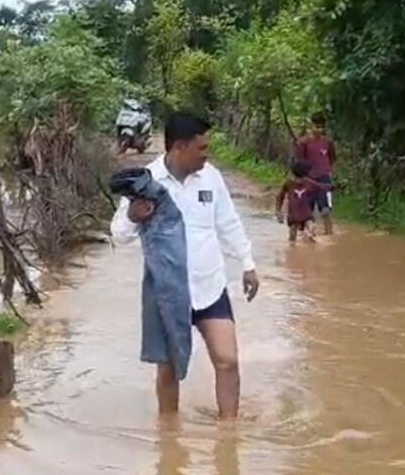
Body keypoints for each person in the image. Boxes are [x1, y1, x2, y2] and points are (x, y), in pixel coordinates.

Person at [110, 113, 260, 419]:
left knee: (227, 360)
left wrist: (247, 263)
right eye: (201, 148)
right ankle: (169, 434)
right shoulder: (146, 182)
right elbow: (119, 235)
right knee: (168, 370)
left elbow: (228, 223)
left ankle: (229, 431)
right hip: (165, 291)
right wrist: (133, 216)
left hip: (209, 286)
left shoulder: (212, 178)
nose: (207, 154)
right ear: (179, 147)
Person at [294, 112, 337, 235]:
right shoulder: (303, 143)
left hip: (324, 179)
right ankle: (305, 237)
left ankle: (329, 236)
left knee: (326, 211)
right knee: (307, 212)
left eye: (322, 127)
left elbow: (332, 160)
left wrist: (331, 175)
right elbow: (298, 164)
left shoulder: (328, 142)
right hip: (309, 180)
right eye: (317, 127)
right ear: (311, 125)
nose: (319, 130)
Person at [275, 160, 324, 243]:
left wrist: (278, 211)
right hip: (304, 213)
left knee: (292, 236)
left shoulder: (289, 183)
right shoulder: (307, 182)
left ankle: (306, 238)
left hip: (294, 215)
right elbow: (322, 187)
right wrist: (336, 186)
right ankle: (311, 235)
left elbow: (280, 197)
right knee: (309, 225)